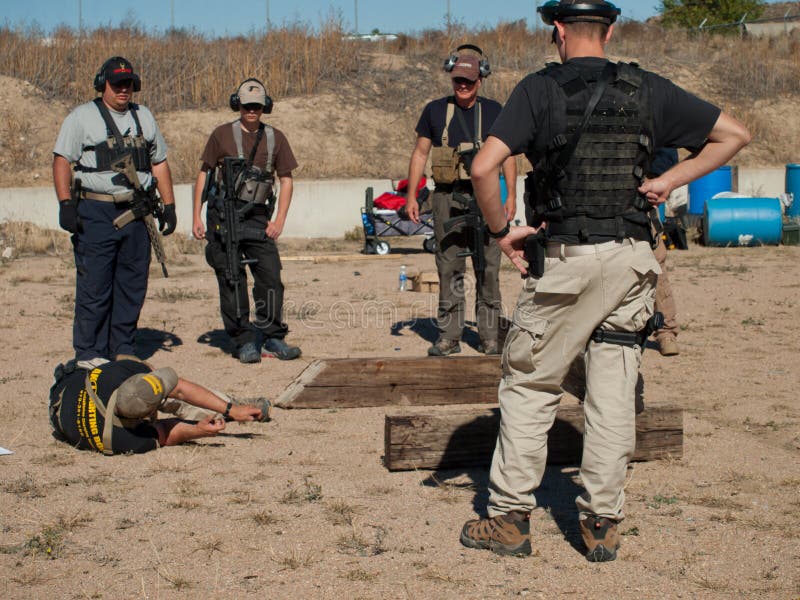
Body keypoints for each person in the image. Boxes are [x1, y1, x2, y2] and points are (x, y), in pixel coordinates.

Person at [459, 0, 750, 561]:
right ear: (611, 30)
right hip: (631, 261)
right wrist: (670, 179)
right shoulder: (649, 90)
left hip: (567, 258)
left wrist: (502, 232)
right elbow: (734, 134)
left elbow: (480, 167)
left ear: (558, 30)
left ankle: (510, 519)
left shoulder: (537, 91)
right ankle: (601, 523)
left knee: (529, 382)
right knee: (614, 392)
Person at [53, 57, 177, 370]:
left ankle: (122, 346)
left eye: (128, 83)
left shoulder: (143, 116)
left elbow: (159, 161)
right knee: (95, 285)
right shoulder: (81, 117)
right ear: (102, 84)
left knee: (132, 284)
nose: (124, 89)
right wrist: (66, 203)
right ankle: (89, 353)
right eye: (117, 83)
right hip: (97, 211)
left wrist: (170, 205)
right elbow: (62, 161)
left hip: (138, 212)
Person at [405, 45, 517, 356]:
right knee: (450, 267)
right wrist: (412, 195)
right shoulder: (435, 111)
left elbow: (508, 157)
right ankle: (449, 337)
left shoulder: (495, 111)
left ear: (480, 79)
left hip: (487, 198)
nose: (463, 86)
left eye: (469, 80)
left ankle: (490, 336)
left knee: (489, 267)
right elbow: (420, 154)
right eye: (458, 80)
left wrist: (511, 197)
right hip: (446, 198)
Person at [192, 78, 301, 363]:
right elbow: (203, 174)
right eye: (246, 105)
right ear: (236, 104)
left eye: (257, 105)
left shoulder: (276, 137)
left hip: (257, 217)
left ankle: (273, 335)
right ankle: (243, 340)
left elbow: (286, 180)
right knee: (231, 278)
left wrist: (279, 221)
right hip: (223, 216)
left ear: (265, 106)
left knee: (270, 277)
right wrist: (196, 216)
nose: (252, 110)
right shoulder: (221, 135)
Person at [48, 358, 270, 455]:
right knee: (166, 398)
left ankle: (227, 407)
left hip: (73, 380)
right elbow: (166, 433)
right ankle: (221, 409)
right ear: (145, 418)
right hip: (61, 400)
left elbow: (177, 388)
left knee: (159, 392)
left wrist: (230, 409)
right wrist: (198, 431)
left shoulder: (112, 374)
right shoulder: (124, 440)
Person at [650, 147, 681, 356]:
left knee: (655, 261)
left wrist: (650, 178)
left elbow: (666, 152)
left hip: (635, 192)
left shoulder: (645, 113)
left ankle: (666, 331)